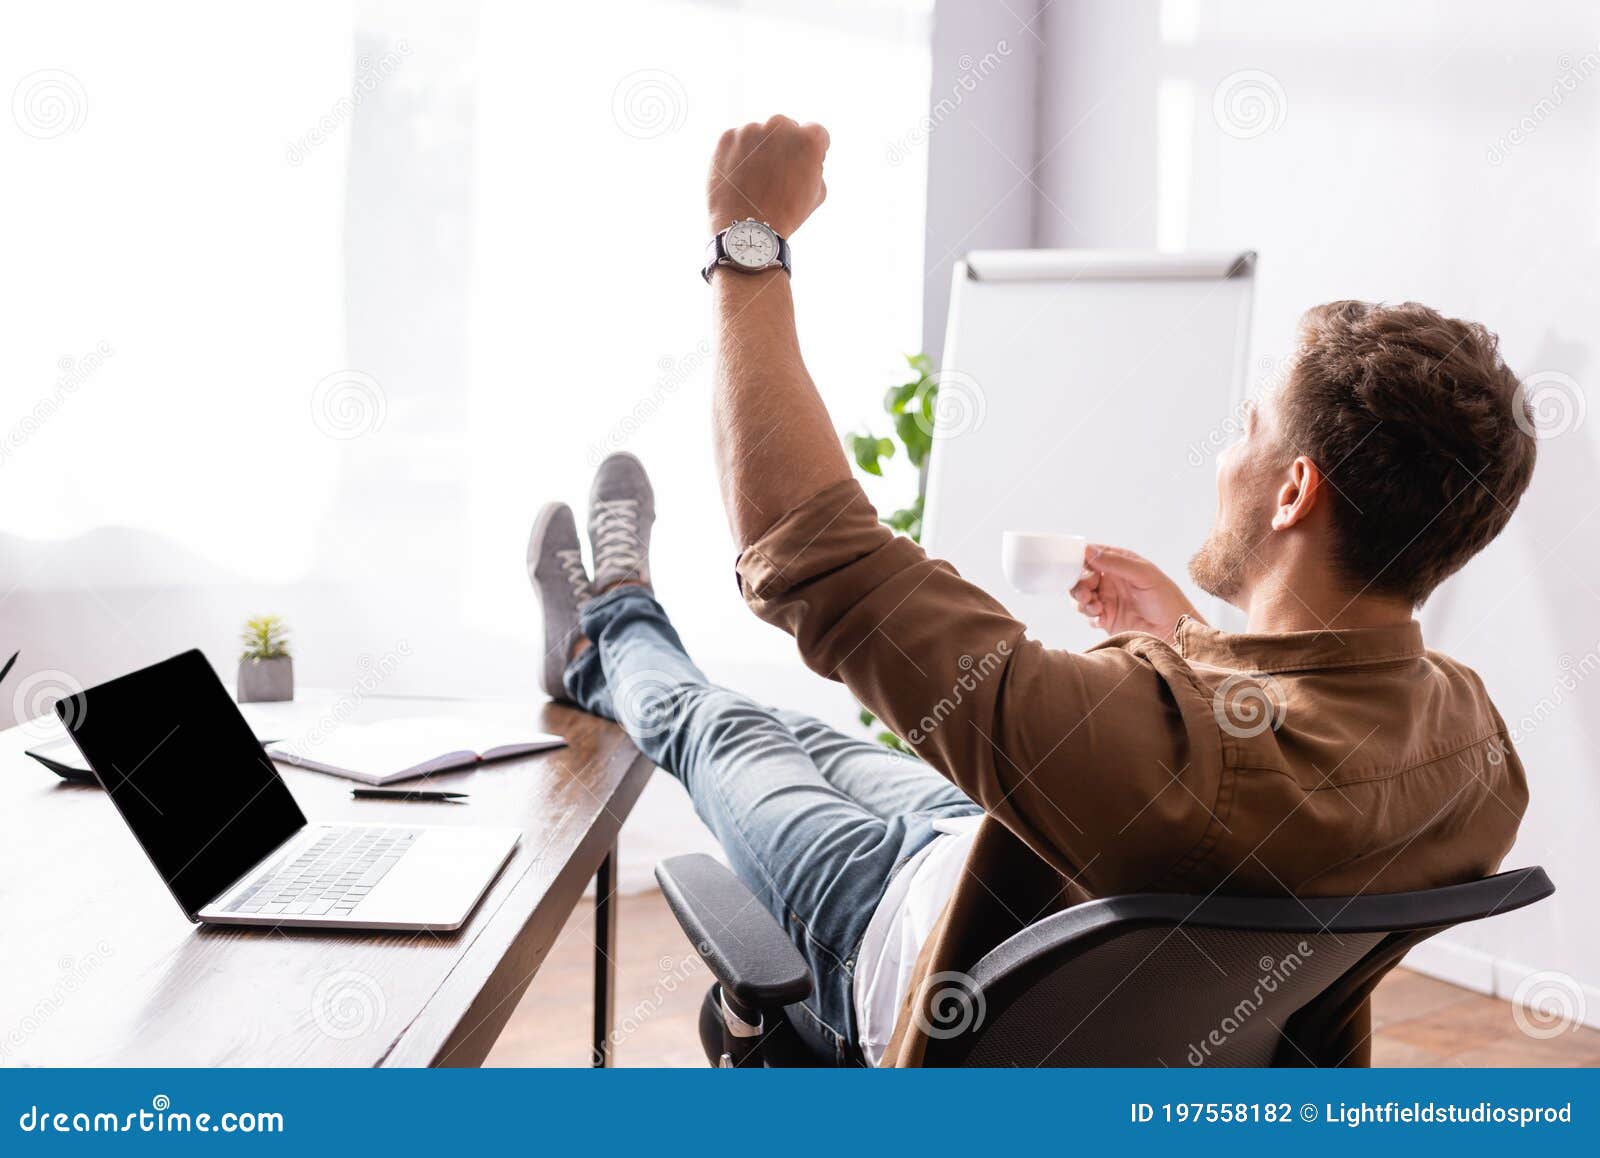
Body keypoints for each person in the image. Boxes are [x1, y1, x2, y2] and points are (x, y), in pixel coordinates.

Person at [525, 117, 1537, 1066]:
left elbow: (815, 558)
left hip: (910, 952)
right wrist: (1184, 637)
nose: (1222, 457)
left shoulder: (1158, 748)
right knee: (794, 733)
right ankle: (605, 639)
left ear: (1293, 492)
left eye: (1244, 430)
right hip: (1012, 881)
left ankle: (609, 624)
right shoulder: (1478, 752)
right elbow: (1278, 783)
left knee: (724, 729)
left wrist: (745, 239)